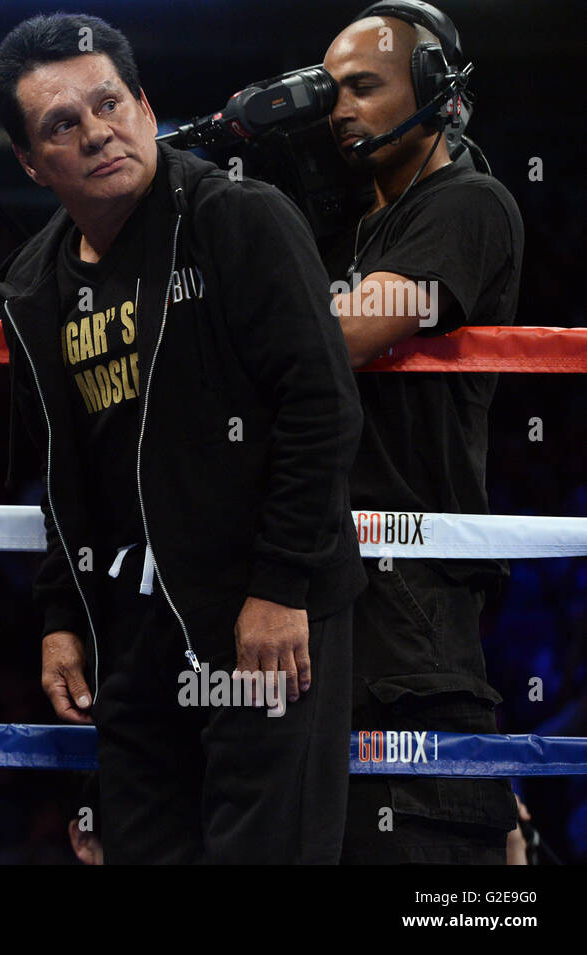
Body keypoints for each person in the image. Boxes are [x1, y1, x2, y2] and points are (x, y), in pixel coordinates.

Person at [0, 13, 366, 863]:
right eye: (61, 124)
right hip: (132, 633)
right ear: (28, 159)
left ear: (144, 105)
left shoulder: (239, 220)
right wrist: (63, 615)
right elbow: (64, 474)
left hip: (261, 610)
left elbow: (321, 409)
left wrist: (280, 584)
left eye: (109, 103)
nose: (96, 132)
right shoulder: (33, 288)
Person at [321, 2, 522, 864]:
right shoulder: (362, 228)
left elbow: (350, 332)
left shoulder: (469, 201)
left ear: (434, 92)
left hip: (414, 579)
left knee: (431, 857)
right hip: (347, 576)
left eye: (364, 87)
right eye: (330, 92)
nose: (340, 109)